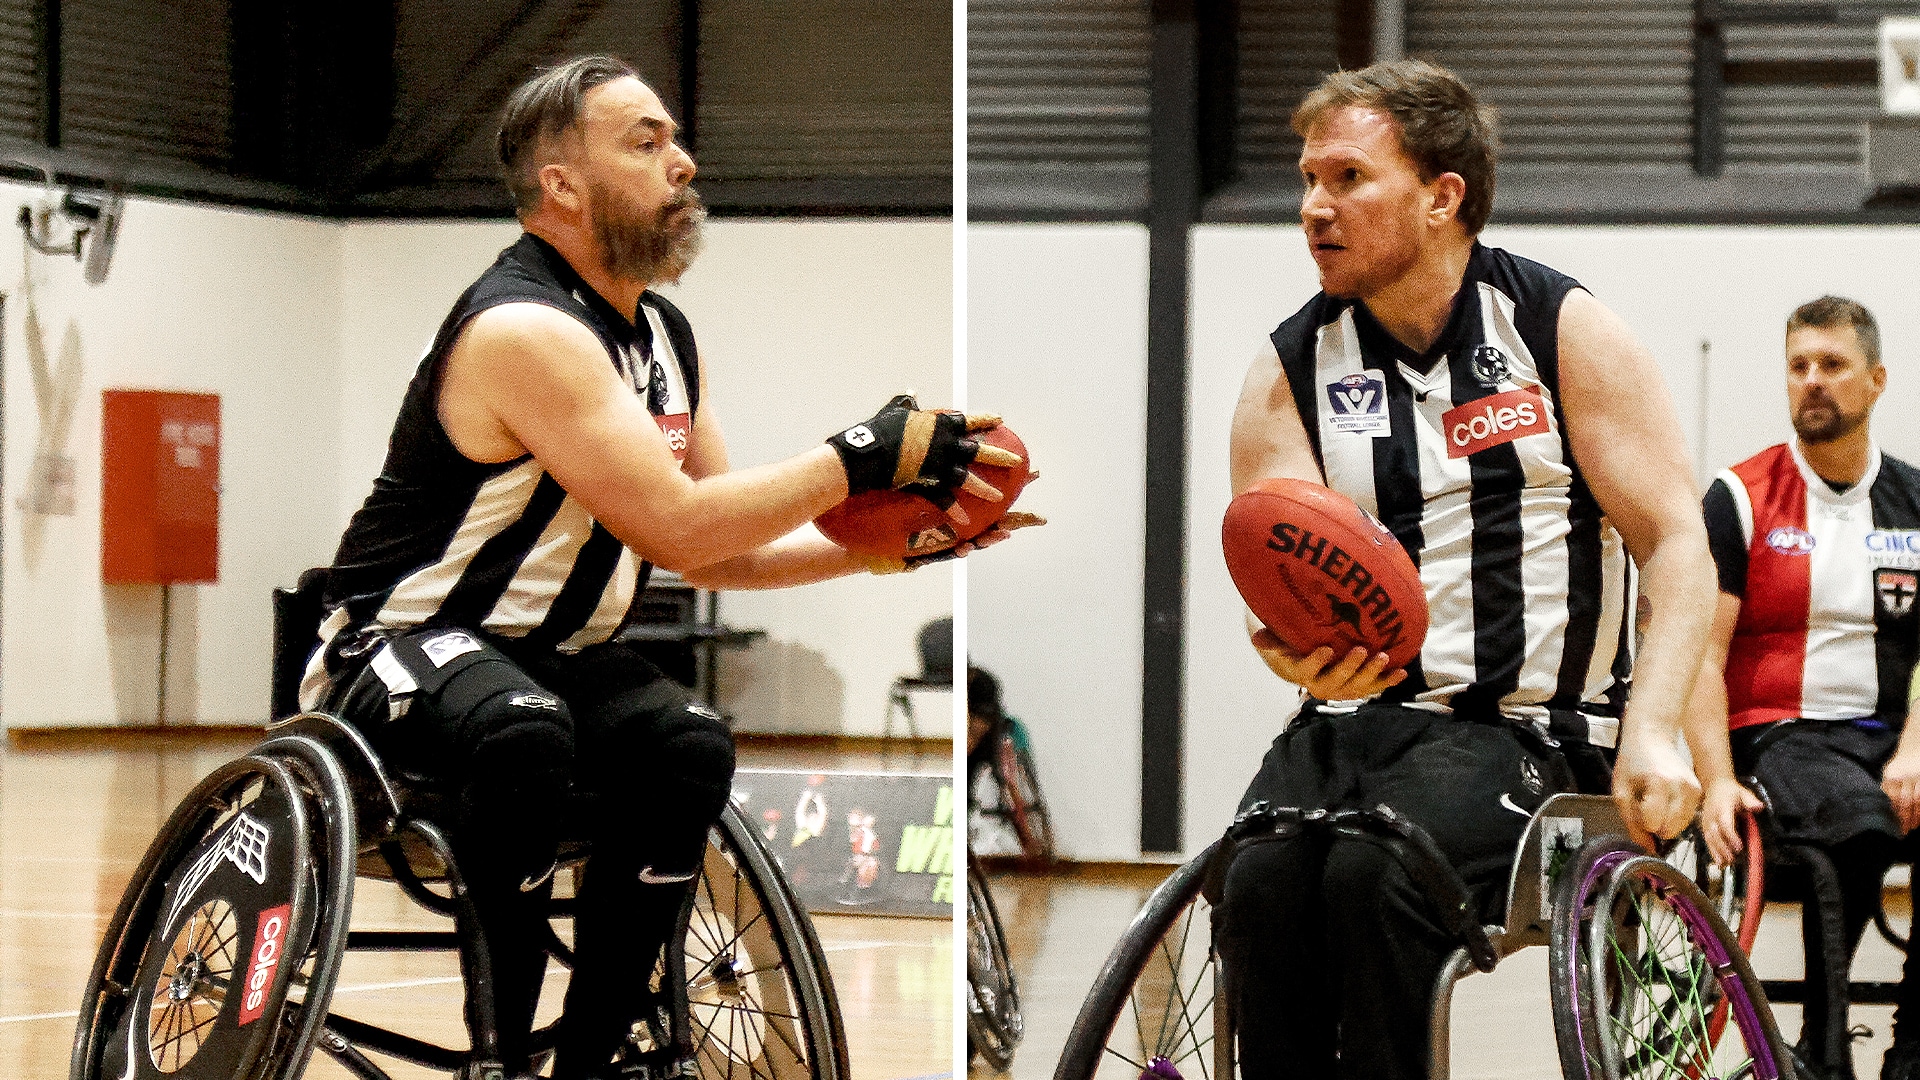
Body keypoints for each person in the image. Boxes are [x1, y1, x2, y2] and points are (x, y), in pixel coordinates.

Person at [297, 55, 1023, 1080]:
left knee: (685, 739)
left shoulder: (666, 336)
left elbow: (716, 547)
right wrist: (857, 455)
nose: (682, 163)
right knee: (518, 727)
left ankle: (588, 1058)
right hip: (396, 653)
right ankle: (503, 1050)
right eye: (645, 142)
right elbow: (683, 527)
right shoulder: (524, 328)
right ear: (561, 182)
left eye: (676, 140)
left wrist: (886, 548)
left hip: (546, 664)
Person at [1215, 59, 1713, 1080]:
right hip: (1352, 725)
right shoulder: (1288, 369)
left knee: (1373, 873)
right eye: (1308, 180)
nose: (1314, 207)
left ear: (1444, 197)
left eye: (1348, 178)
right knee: (1257, 883)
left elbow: (1677, 541)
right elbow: (1279, 580)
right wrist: (1291, 651)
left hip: (1529, 731)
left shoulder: (1557, 330)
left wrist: (1656, 729)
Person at [1686, 297, 1920, 1080]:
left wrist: (1915, 748)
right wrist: (1715, 779)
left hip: (1887, 738)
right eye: (1798, 366)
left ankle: (1912, 1055)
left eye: (1833, 365)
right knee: (1857, 827)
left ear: (1877, 379)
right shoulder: (1740, 496)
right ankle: (1824, 1050)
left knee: (1873, 806)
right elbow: (1697, 655)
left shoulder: (1915, 504)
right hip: (1779, 735)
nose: (1812, 382)